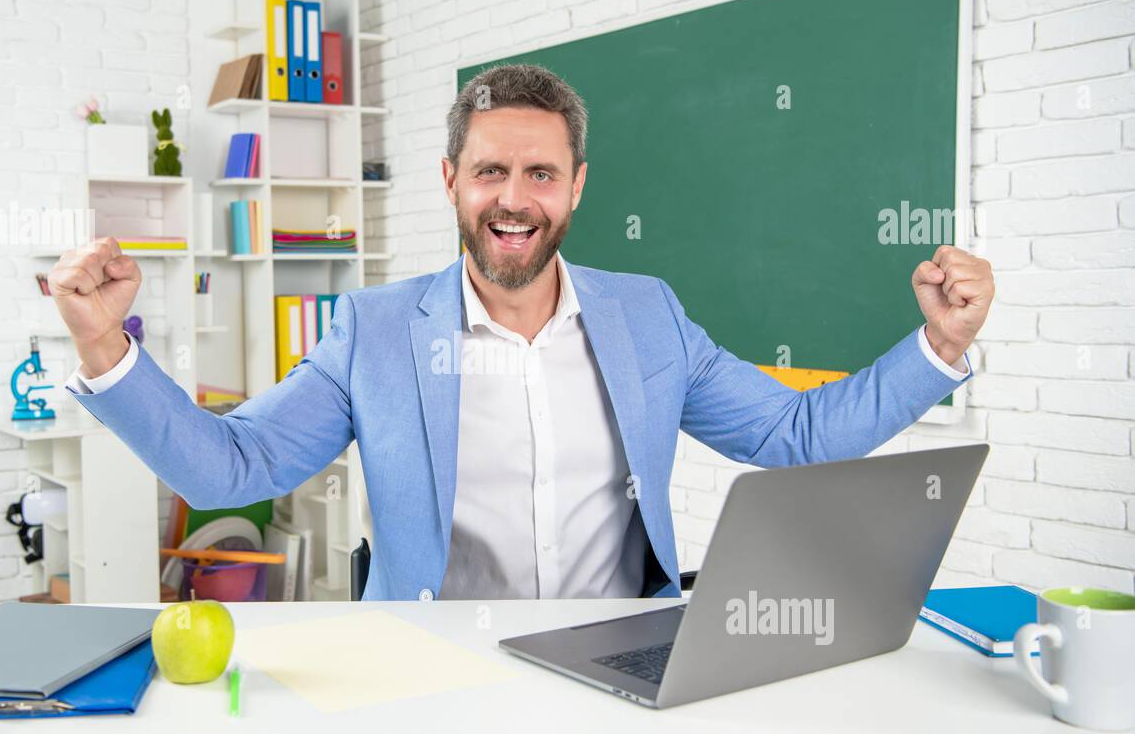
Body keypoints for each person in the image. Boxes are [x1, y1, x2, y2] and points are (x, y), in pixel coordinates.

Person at [51, 64, 994, 601]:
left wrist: (938, 347)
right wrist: (106, 349)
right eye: (490, 171)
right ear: (451, 180)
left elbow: (796, 434)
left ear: (577, 186)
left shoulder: (648, 316)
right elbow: (232, 467)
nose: (514, 199)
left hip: (625, 657)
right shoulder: (373, 332)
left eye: (541, 174)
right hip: (432, 670)